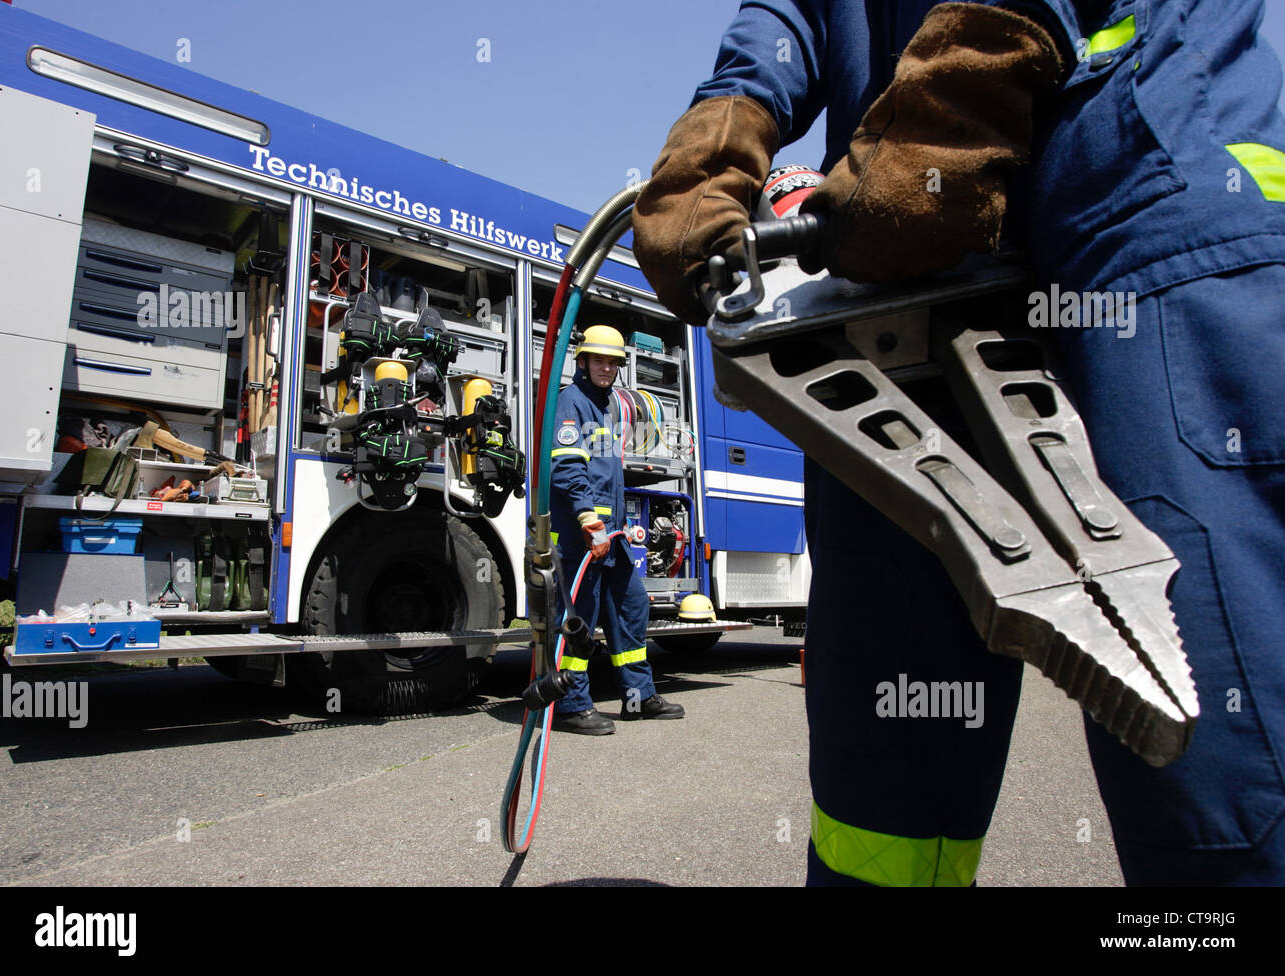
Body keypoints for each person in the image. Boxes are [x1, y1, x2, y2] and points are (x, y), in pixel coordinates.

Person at [633, 0, 1285, 884]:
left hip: (1143, 197)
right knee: (887, 782)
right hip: (898, 269)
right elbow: (781, 30)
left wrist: (969, 74)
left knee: (1215, 766)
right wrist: (722, 138)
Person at [549, 325, 686, 734]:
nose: (607, 368)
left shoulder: (604, 406)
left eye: (613, 362)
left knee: (631, 608)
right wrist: (591, 524)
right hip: (583, 537)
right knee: (580, 621)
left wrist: (614, 526)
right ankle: (571, 706)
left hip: (612, 536)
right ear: (583, 361)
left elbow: (606, 476)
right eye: (599, 360)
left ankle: (636, 697)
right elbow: (567, 470)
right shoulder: (570, 403)